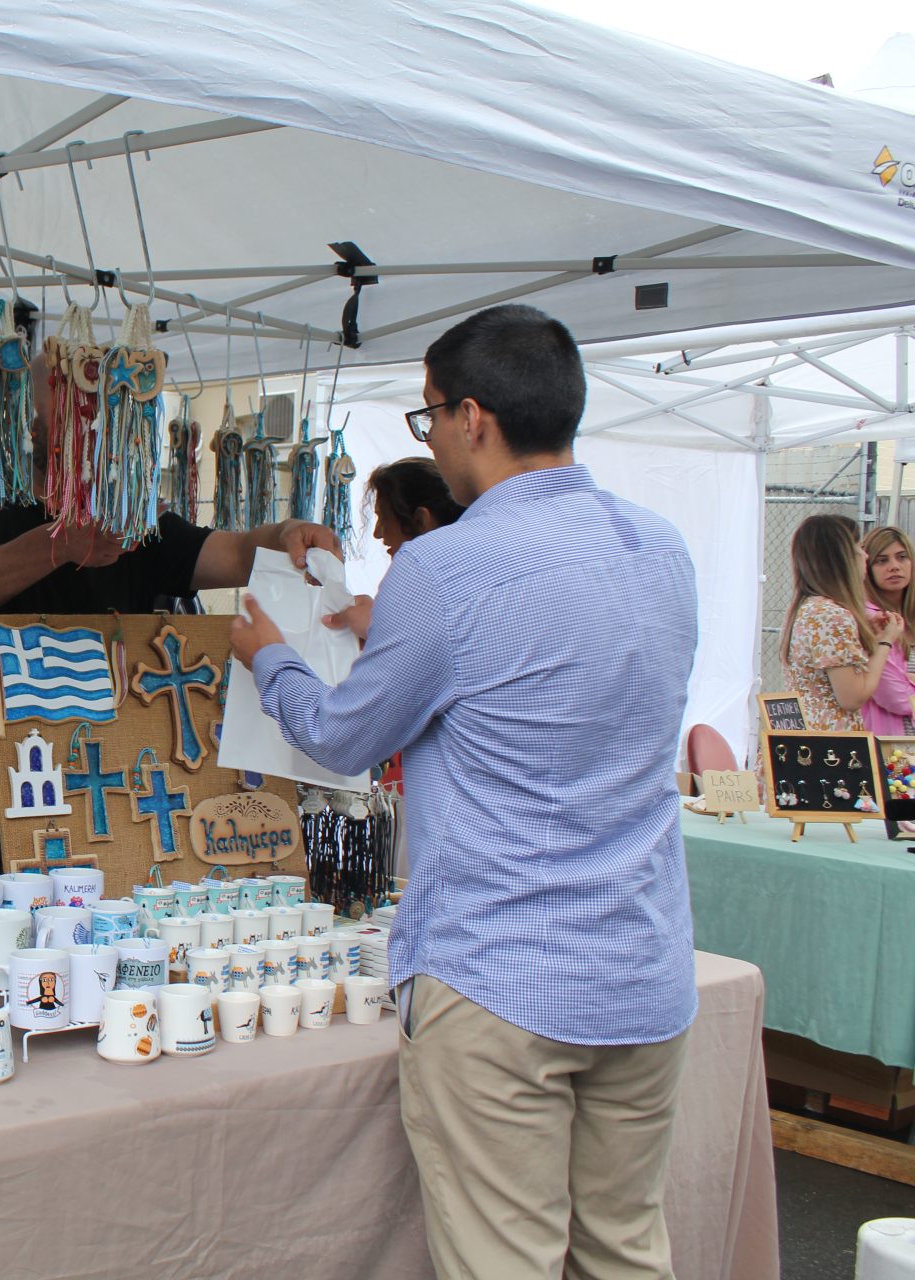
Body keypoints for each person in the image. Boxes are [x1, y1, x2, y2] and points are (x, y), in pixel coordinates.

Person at [230, 303, 698, 1279]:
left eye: (428, 415)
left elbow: (342, 734)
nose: (431, 436)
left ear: (473, 416)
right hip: (644, 961)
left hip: (500, 976)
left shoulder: (443, 568)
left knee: (505, 1261)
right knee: (626, 1252)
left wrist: (273, 658)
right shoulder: (661, 546)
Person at [0, 306, 337, 871]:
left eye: (96, 415)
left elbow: (227, 554)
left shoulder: (126, 512)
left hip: (108, 774)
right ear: (22, 420)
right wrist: (59, 544)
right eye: (68, 411)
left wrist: (285, 534)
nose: (88, 429)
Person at [781, 515, 902, 732]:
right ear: (842, 557)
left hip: (807, 738)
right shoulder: (832, 615)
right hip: (830, 748)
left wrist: (865, 640)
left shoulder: (809, 607)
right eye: (858, 547)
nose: (865, 555)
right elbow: (852, 696)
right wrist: (884, 643)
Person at [328, 457, 465, 644]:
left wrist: (382, 630)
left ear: (420, 521)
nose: (377, 533)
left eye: (384, 519)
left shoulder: (438, 597)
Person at [861, 524, 915, 735]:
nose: (894, 566)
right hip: (893, 747)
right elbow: (895, 697)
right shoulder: (871, 619)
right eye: (882, 561)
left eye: (901, 557)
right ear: (867, 567)